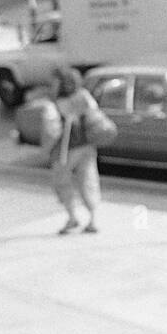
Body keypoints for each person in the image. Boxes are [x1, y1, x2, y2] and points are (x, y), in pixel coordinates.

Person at [47, 68, 101, 235]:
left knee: (62, 181)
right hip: (87, 146)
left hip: (66, 149)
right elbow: (94, 113)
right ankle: (93, 219)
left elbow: (54, 129)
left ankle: (72, 217)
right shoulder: (84, 95)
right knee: (89, 181)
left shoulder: (59, 102)